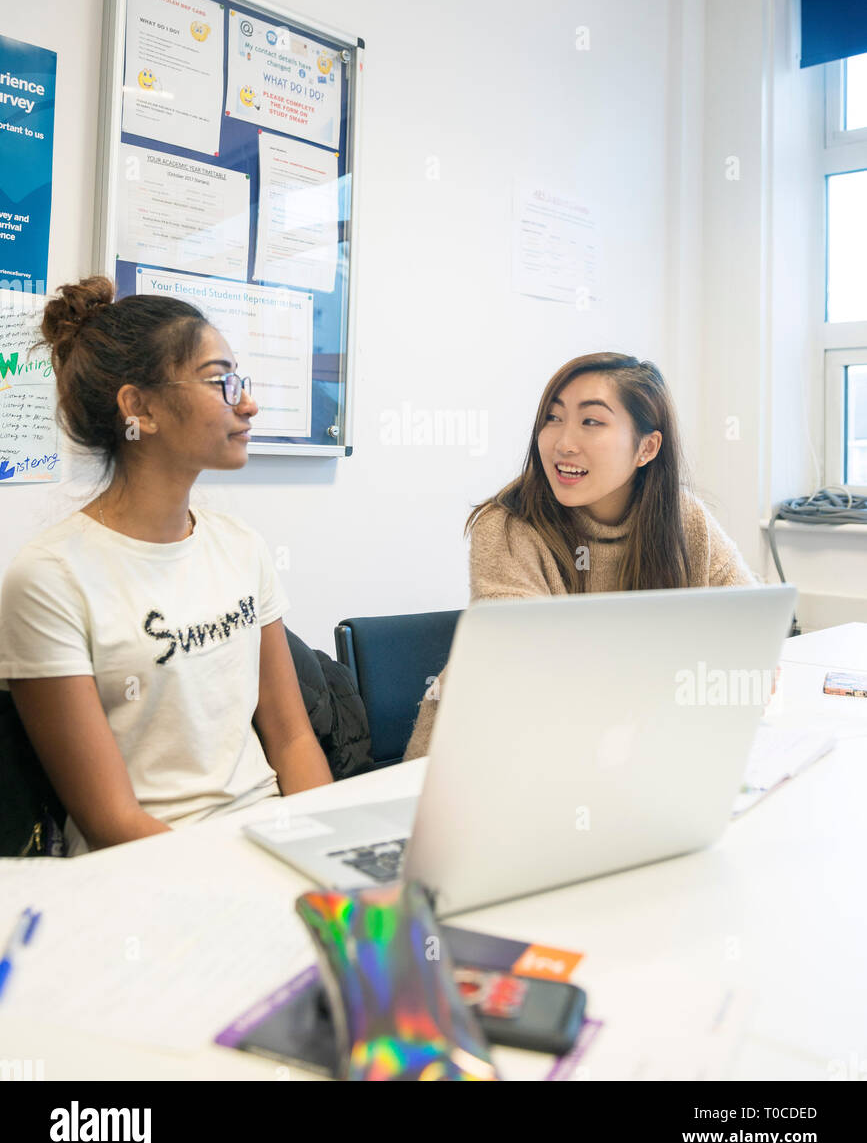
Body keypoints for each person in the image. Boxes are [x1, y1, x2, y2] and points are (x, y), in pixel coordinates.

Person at [0, 276, 332, 857]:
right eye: (220, 382)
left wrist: (327, 857)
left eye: (241, 382)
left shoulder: (241, 546)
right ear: (140, 408)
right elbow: (111, 822)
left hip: (274, 843)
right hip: (148, 873)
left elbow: (292, 737)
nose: (247, 402)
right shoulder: (49, 578)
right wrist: (248, 878)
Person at [404, 352, 757, 759]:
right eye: (553, 419)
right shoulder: (508, 524)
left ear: (646, 448)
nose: (563, 443)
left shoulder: (683, 518)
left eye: (591, 422)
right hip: (482, 760)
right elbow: (528, 670)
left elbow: (747, 626)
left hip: (625, 754)